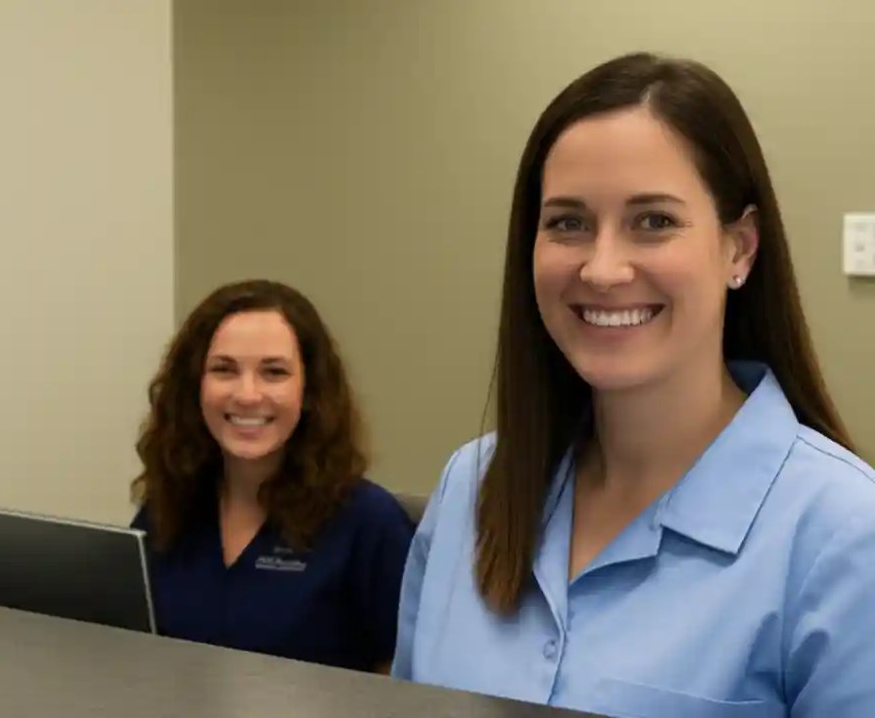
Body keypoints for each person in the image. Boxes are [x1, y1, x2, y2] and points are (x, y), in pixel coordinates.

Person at [393, 52, 875, 717]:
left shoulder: (844, 536)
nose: (603, 268)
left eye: (654, 221)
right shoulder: (469, 492)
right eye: (568, 222)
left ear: (739, 249)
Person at [130, 278, 414, 673]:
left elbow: (409, 686)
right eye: (224, 369)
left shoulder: (369, 524)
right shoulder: (169, 509)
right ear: (194, 386)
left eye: (274, 372)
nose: (247, 394)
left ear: (310, 390)